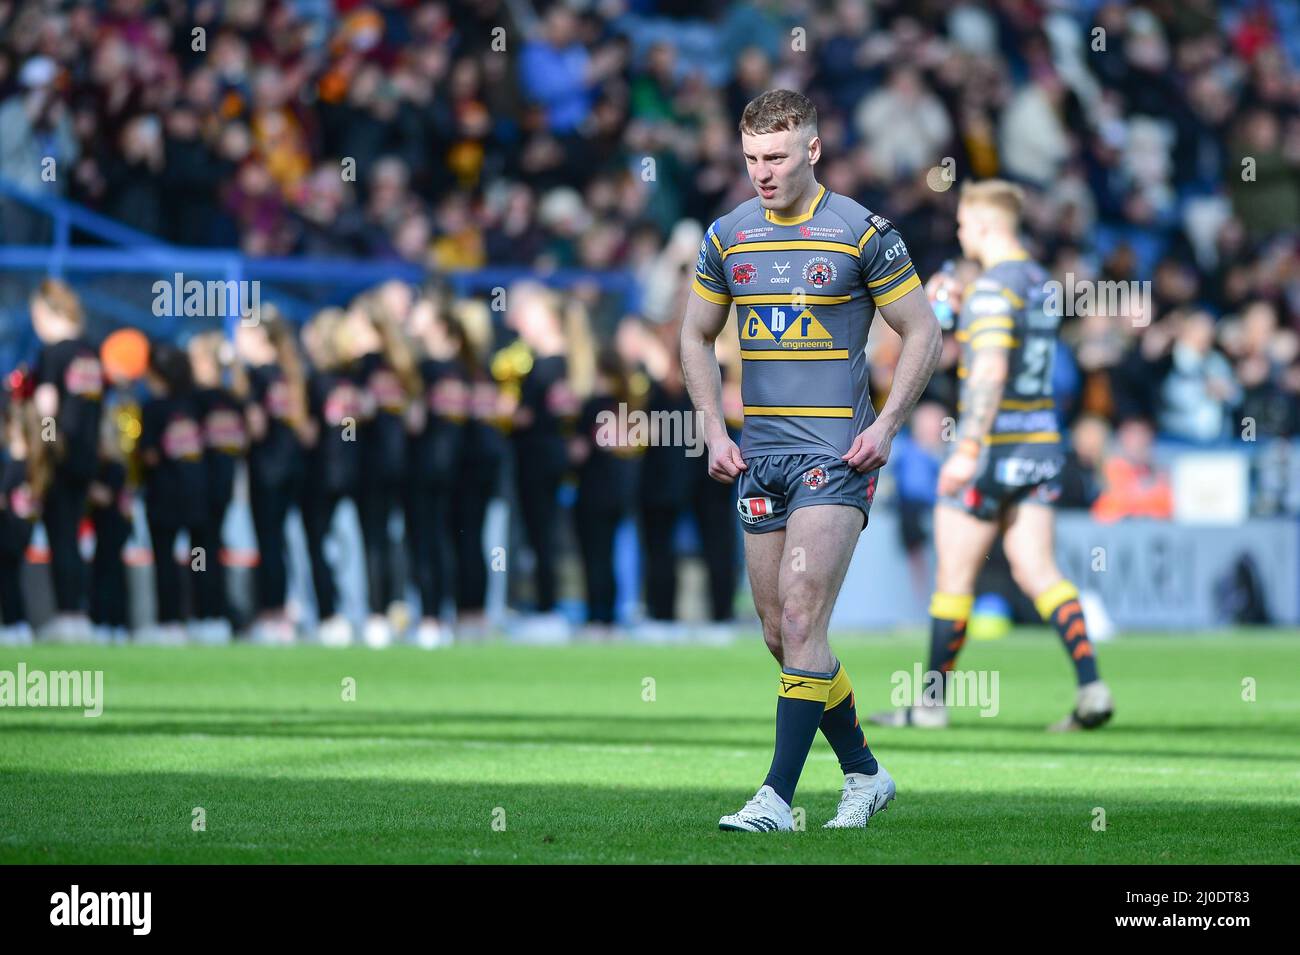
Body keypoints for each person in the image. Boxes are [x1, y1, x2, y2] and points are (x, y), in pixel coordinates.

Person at [681, 89, 942, 832]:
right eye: (752, 158)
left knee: (800, 615)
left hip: (837, 453)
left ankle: (775, 797)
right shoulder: (728, 235)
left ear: (813, 151)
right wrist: (712, 428)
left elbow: (922, 330)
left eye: (776, 157)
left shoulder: (863, 232)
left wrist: (889, 422)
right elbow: (694, 334)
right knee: (781, 633)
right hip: (759, 457)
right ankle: (864, 770)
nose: (762, 172)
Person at [870, 179, 1115, 734]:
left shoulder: (989, 292)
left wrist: (969, 447)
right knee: (1038, 568)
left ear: (983, 225)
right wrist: (952, 313)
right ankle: (1092, 687)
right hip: (1040, 444)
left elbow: (989, 369)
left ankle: (930, 704)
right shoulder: (1036, 282)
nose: (959, 231)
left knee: (953, 577)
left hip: (992, 449)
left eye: (962, 222)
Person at [30, 280, 103, 642]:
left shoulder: (52, 353)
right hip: (87, 455)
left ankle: (66, 614)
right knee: (74, 537)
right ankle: (80, 614)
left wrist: (44, 445)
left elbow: (47, 408)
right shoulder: (92, 351)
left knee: (60, 537)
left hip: (60, 456)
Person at [234, 307, 309, 644]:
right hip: (294, 468)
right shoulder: (289, 374)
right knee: (291, 543)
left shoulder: (256, 377)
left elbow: (255, 427)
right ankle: (294, 609)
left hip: (266, 469)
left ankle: (272, 613)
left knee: (269, 542)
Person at [404, 293, 472, 649]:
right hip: (446, 467)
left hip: (434, 468)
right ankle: (444, 614)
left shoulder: (431, 370)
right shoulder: (454, 368)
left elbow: (415, 422)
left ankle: (434, 616)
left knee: (431, 540)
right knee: (440, 539)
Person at [297, 309, 362, 647]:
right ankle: (363, 612)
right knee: (357, 543)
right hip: (353, 470)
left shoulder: (316, 382)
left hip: (322, 472)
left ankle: (329, 613)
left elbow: (309, 434)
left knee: (317, 543)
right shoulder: (353, 379)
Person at [189, 332, 247, 642]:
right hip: (223, 488)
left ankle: (206, 612)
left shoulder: (197, 400)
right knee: (212, 549)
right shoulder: (233, 399)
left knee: (201, 551)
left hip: (201, 489)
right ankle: (219, 611)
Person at [0, 373, 48, 646]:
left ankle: (13, 624)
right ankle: (20, 624)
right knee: (14, 579)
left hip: (9, 530)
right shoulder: (35, 462)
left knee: (7, 580)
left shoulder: (17, 464)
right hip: (23, 529)